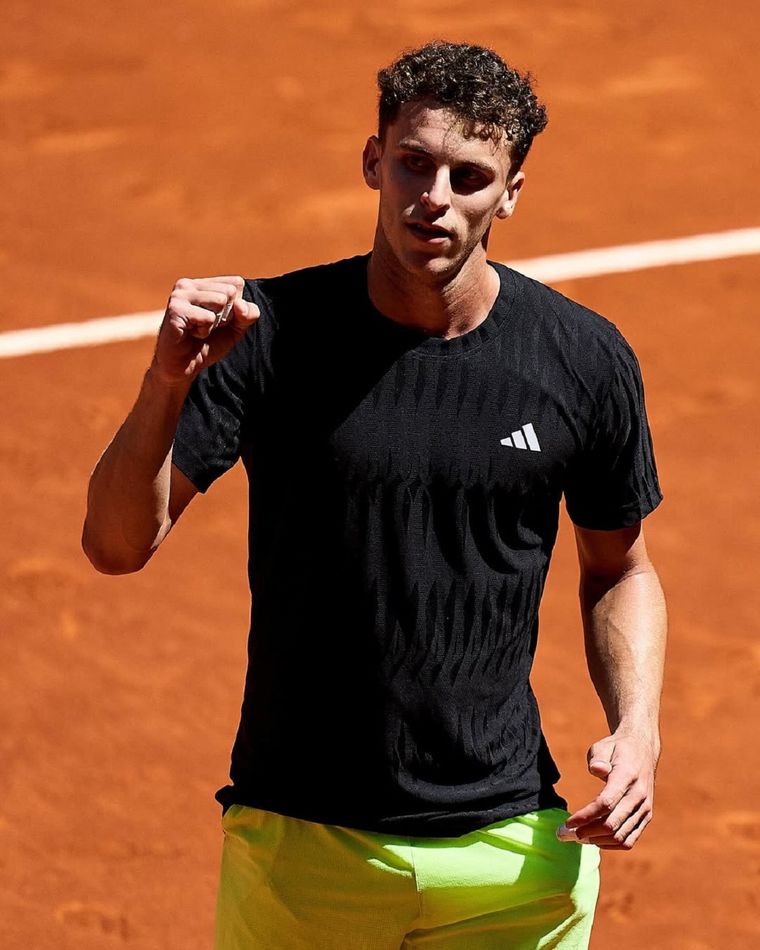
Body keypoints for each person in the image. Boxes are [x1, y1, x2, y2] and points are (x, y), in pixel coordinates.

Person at [83, 40, 666, 950]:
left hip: (511, 853)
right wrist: (165, 384)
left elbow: (619, 565)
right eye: (413, 162)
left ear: (510, 193)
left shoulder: (582, 359)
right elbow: (117, 543)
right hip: (305, 846)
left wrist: (637, 729)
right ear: (372, 161)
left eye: (470, 175)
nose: (435, 196)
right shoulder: (267, 337)